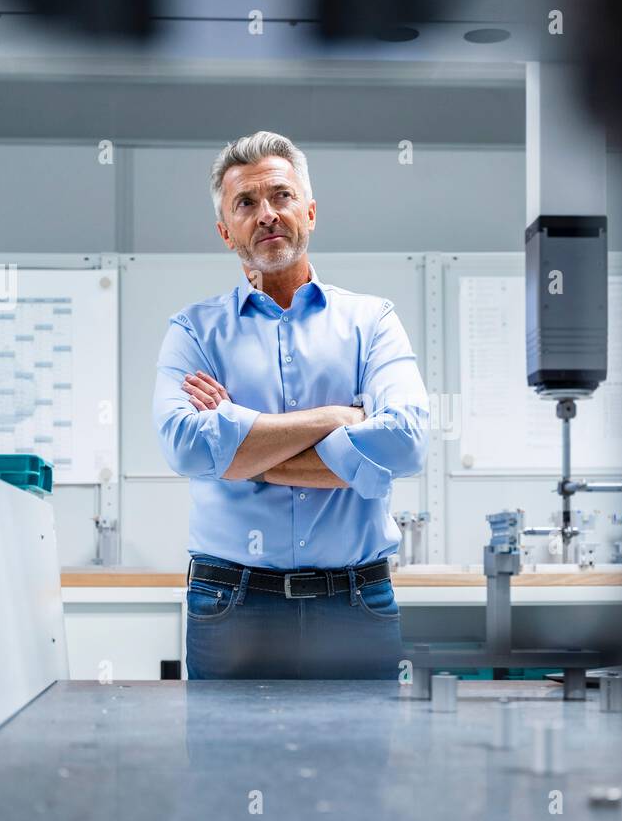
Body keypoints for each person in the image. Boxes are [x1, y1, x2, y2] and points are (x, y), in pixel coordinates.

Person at [152, 130, 430, 679]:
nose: (267, 214)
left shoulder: (372, 321)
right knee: (223, 743)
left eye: (281, 195)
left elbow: (406, 441)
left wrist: (243, 455)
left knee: (367, 742)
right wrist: (338, 420)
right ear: (225, 231)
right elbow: (186, 448)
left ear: (310, 211)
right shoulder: (193, 331)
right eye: (245, 203)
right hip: (231, 603)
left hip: (356, 600)